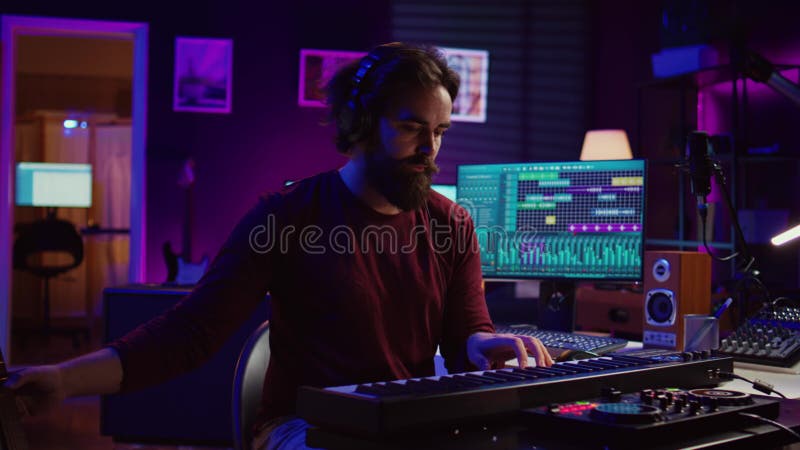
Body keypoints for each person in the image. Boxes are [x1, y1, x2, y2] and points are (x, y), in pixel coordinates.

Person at [5, 42, 553, 450]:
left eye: (440, 131)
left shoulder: (451, 224)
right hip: (303, 428)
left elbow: (465, 337)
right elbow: (190, 334)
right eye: (412, 128)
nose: (430, 149)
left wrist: (482, 345)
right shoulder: (286, 218)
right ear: (360, 124)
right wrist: (63, 378)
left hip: (402, 423)